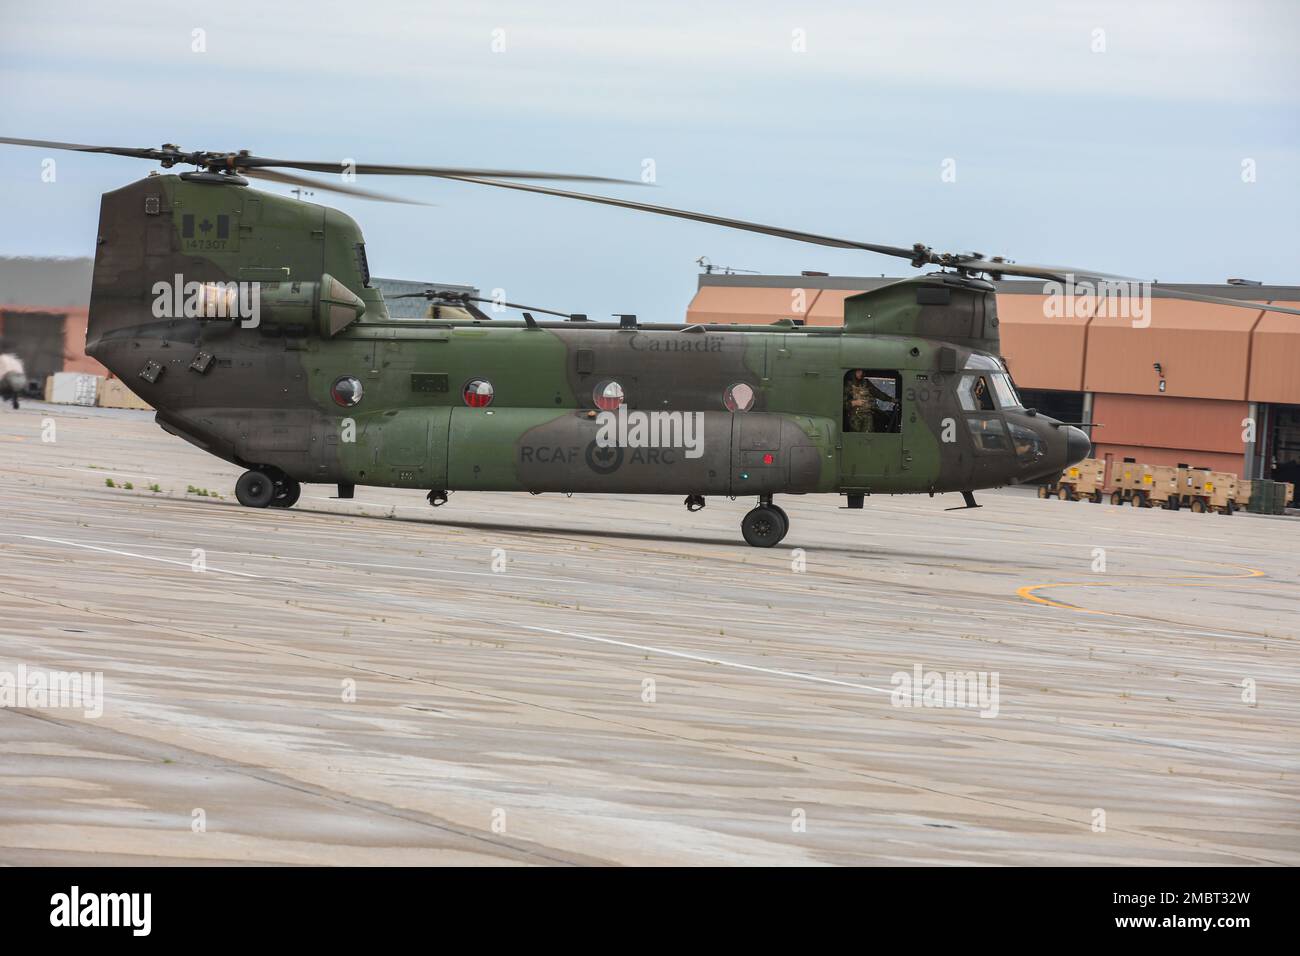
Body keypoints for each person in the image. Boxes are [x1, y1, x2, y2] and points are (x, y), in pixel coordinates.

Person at [0, 343, 27, 410]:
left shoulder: (2, 358)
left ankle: (6, 396)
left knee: (7, 383)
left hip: (10, 377)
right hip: (21, 379)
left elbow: (2, 371)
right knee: (14, 388)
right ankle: (14, 401)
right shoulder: (16, 360)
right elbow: (21, 370)